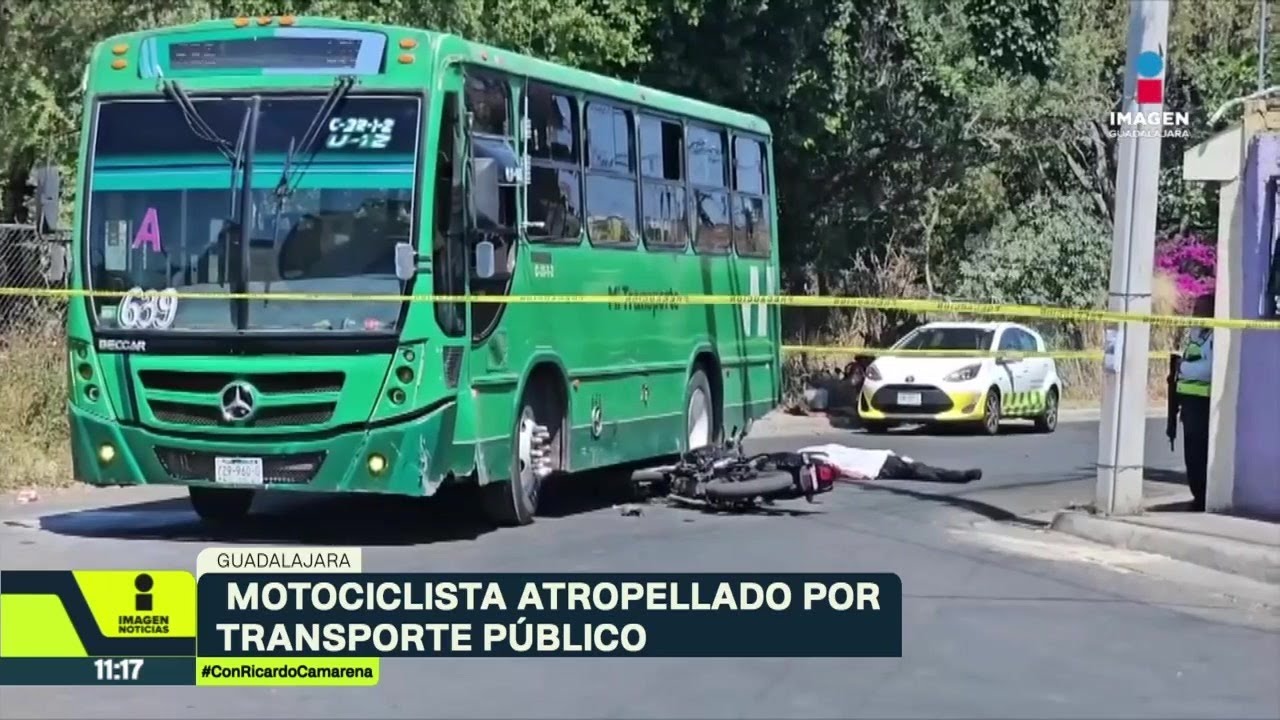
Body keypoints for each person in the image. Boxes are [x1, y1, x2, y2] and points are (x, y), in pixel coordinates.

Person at [1173, 293, 1215, 511]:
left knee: (1199, 452)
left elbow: (1208, 369)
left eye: (1200, 309)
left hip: (1202, 403)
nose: (1195, 313)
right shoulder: (1197, 335)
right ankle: (1196, 493)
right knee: (1190, 452)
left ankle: (1202, 495)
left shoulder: (1214, 336)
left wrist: (1183, 368)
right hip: (1188, 404)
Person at [798, 443, 982, 483]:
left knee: (921, 471)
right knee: (920, 470)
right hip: (879, 460)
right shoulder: (811, 451)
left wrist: (862, 475)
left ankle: (961, 476)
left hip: (880, 461)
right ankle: (961, 476)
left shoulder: (816, 457)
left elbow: (842, 470)